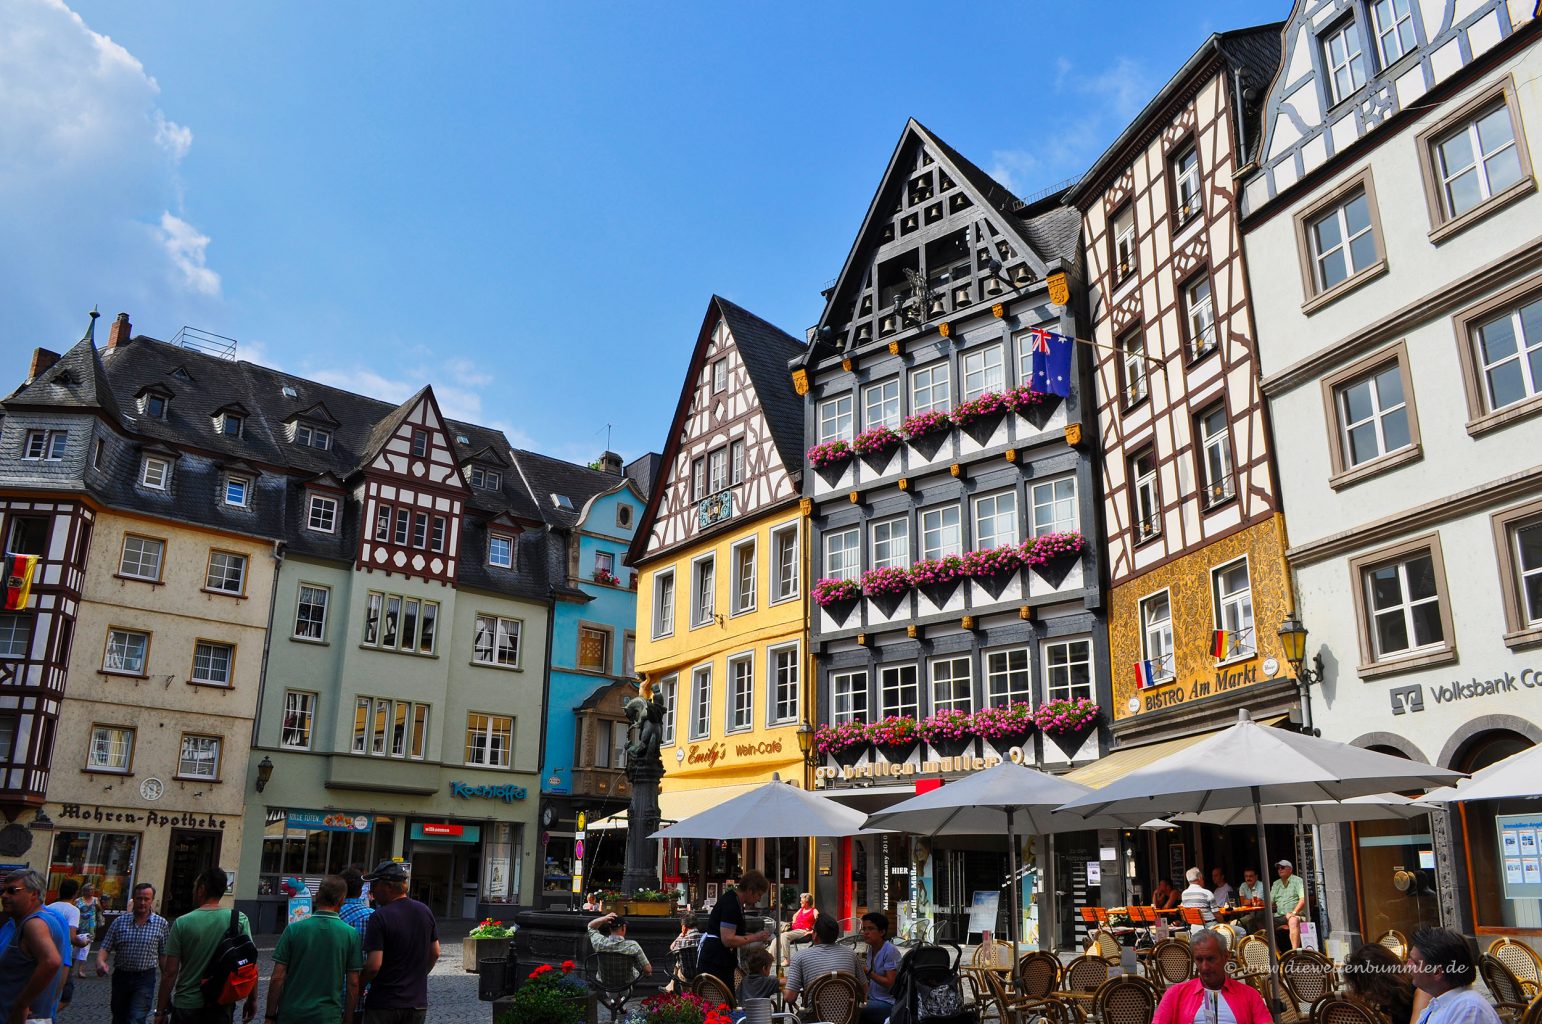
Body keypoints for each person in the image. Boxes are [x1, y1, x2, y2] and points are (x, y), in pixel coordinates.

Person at [155, 866, 256, 1024]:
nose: (194, 890)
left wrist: (160, 1011)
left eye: (195, 886)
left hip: (187, 1004)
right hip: (221, 1001)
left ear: (201, 889)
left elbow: (170, 972)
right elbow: (250, 963)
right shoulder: (239, 919)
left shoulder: (182, 923)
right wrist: (252, 999)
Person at [265, 875, 363, 1024]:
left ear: (317, 896)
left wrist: (270, 1015)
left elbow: (277, 978)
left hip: (291, 1014)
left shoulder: (293, 929)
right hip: (327, 1016)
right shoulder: (350, 934)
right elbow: (353, 983)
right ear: (342, 900)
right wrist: (348, 1018)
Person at [359, 861, 438, 1024]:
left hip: (384, 1004)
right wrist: (419, 975)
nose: (371, 891)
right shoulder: (425, 911)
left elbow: (374, 965)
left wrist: (359, 986)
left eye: (374, 885)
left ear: (388, 886)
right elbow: (435, 952)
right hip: (416, 1004)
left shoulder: (379, 917)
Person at [1152, 929, 1271, 1024]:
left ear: (1225, 957)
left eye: (1210, 959)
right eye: (1199, 960)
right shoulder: (1176, 994)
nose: (1204, 967)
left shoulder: (1249, 995)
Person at [96, 882, 170, 1024]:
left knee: (136, 1018)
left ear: (152, 901)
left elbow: (163, 954)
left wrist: (167, 980)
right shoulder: (119, 922)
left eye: (146, 899)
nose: (142, 902)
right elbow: (105, 947)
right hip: (121, 976)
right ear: (133, 899)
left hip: (145, 978)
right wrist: (100, 962)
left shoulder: (161, 924)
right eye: (139, 898)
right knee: (119, 1017)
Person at [0, 869, 66, 1024]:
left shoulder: (35, 924)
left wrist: (22, 1004)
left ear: (34, 894)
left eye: (12, 891)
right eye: (2, 891)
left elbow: (52, 962)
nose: (4, 896)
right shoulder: (43, 921)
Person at [1407, 927, 1503, 1024]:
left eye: (1415, 962)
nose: (1408, 965)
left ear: (1437, 972)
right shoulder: (1441, 1003)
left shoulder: (1468, 1010)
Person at [697, 870, 771, 992]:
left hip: (720, 959)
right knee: (721, 1002)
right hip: (716, 961)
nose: (758, 899)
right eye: (758, 894)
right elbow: (728, 939)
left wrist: (754, 936)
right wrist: (756, 937)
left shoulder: (734, 902)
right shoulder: (731, 905)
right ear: (750, 890)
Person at [783, 914, 860, 1008]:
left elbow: (789, 997)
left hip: (814, 1018)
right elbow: (864, 988)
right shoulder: (851, 953)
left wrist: (783, 987)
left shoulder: (800, 957)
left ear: (815, 935)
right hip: (849, 1018)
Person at [1343, 942, 1418, 1024]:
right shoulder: (1390, 997)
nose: (1366, 993)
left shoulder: (1419, 991)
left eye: (1368, 986)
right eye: (1362, 987)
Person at [45, 878, 81, 1010]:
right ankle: (47, 1014)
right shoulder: (73, 910)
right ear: (75, 893)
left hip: (45, 951)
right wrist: (83, 943)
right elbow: (72, 937)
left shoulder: (49, 907)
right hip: (62, 955)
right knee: (66, 994)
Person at [859, 911, 901, 1024]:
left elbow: (890, 983)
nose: (866, 932)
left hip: (888, 1003)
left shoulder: (890, 951)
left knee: (854, 1009)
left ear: (882, 932)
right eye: (864, 929)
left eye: (871, 929)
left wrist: (869, 973)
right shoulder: (871, 949)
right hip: (872, 999)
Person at [585, 913, 652, 977]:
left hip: (604, 984)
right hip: (626, 984)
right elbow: (648, 970)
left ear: (610, 928)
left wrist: (604, 918)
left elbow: (591, 926)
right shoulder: (633, 946)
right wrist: (647, 973)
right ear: (623, 927)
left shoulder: (600, 942)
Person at [1270, 860, 1307, 950]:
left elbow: (1303, 899)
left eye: (1282, 867)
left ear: (1290, 869)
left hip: (1296, 915)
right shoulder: (1276, 883)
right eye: (1278, 868)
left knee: (1293, 921)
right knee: (1262, 921)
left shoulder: (1298, 881)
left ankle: (1294, 953)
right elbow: (1269, 902)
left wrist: (1294, 912)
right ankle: (1277, 953)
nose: (1280, 870)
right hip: (1279, 916)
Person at [73, 885, 100, 979]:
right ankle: (70, 968)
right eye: (89, 890)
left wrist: (98, 906)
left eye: (93, 890)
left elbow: (100, 910)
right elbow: (73, 911)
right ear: (84, 891)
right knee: (75, 947)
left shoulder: (95, 900)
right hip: (79, 926)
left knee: (85, 949)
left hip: (90, 927)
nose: (91, 892)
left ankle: (81, 970)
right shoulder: (78, 901)